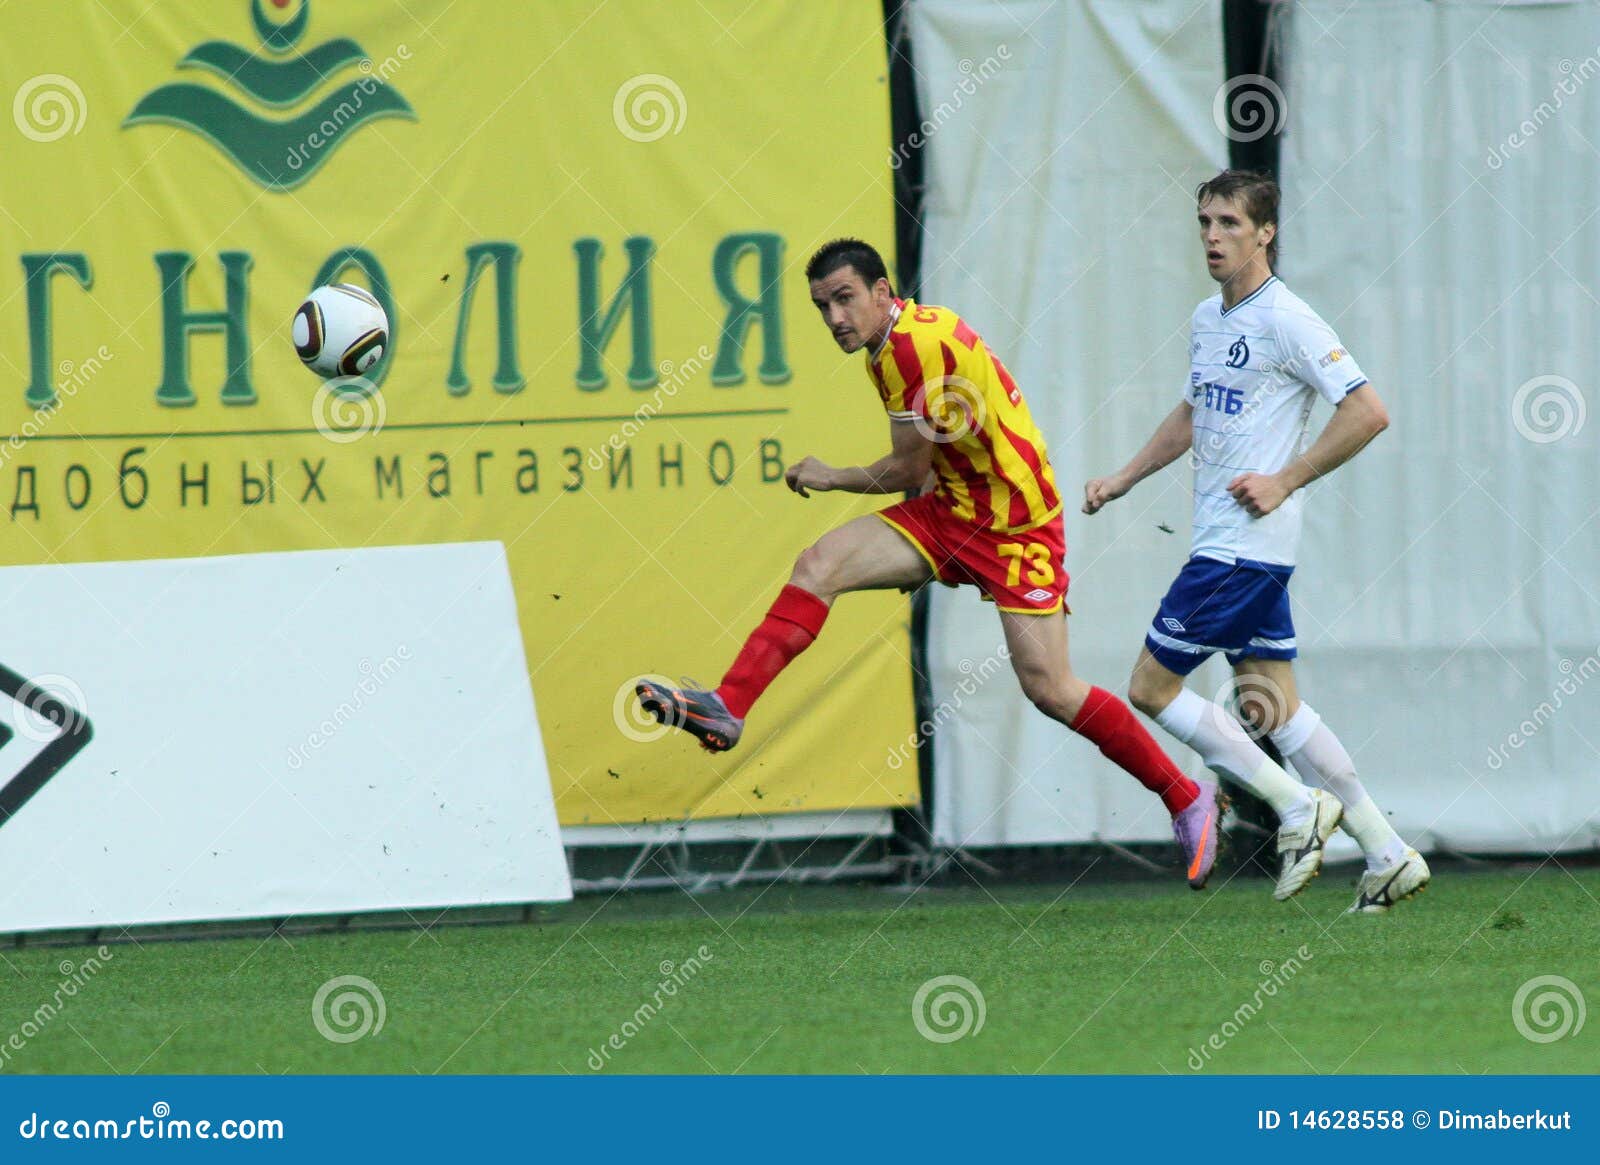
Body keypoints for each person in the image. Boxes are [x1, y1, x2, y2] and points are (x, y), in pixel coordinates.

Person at [635, 238, 1222, 887]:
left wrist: (832, 476)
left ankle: (1185, 796)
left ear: (883, 292)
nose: (834, 317)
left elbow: (906, 469)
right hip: (951, 510)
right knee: (819, 563)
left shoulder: (915, 347)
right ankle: (728, 704)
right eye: (822, 305)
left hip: (1014, 523)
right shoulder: (887, 347)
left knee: (1050, 687)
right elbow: (924, 473)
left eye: (844, 298)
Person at [1083, 170, 1429, 913]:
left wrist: (1286, 477)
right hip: (1239, 547)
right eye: (1205, 221)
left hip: (1240, 547)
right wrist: (1126, 476)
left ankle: (1294, 805)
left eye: (1230, 223)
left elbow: (1368, 411)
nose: (1212, 235)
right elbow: (1193, 412)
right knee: (1274, 705)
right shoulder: (1209, 317)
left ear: (1265, 232)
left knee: (1149, 686)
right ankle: (1386, 850)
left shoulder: (1289, 319)